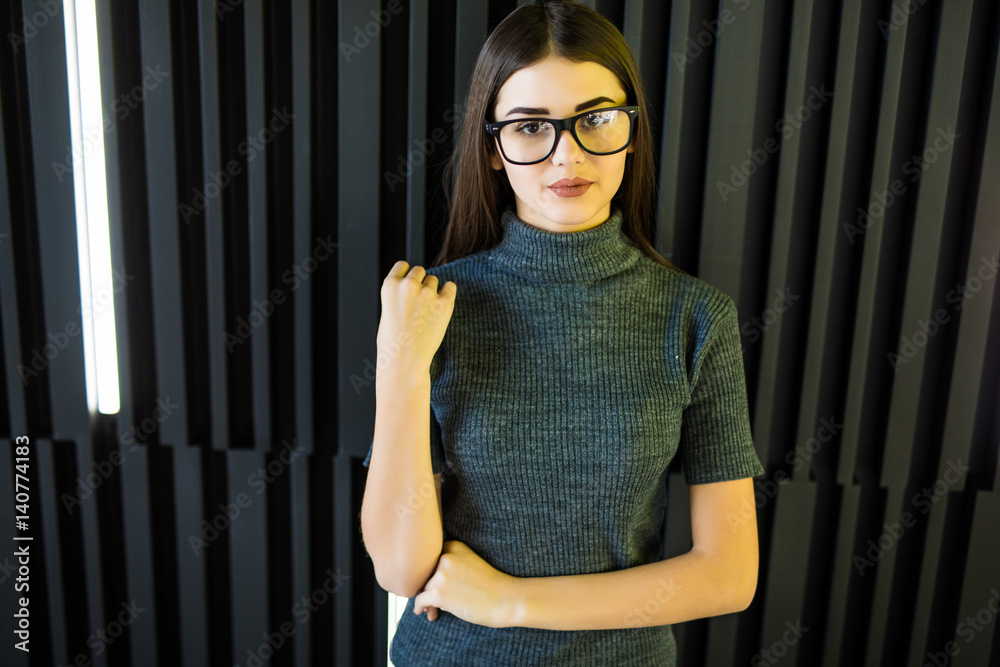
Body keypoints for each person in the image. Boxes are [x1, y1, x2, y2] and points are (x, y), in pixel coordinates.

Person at [360, 1, 765, 664]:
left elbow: (728, 574)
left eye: (595, 119)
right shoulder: (430, 308)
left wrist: (512, 601)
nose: (567, 155)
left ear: (631, 131)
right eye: (530, 127)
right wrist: (399, 363)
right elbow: (402, 570)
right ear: (493, 148)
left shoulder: (696, 319)